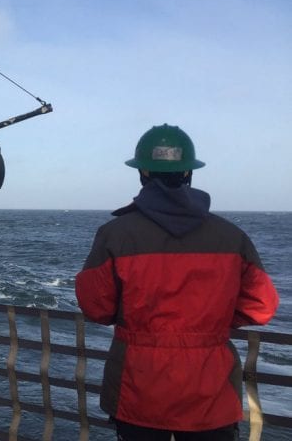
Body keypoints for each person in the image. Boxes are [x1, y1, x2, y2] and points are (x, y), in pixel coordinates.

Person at [75, 124, 279, 440]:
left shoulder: (115, 235)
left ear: (142, 171)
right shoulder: (232, 237)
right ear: (189, 173)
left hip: (138, 388)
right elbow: (262, 308)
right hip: (210, 390)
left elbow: (95, 307)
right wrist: (213, 322)